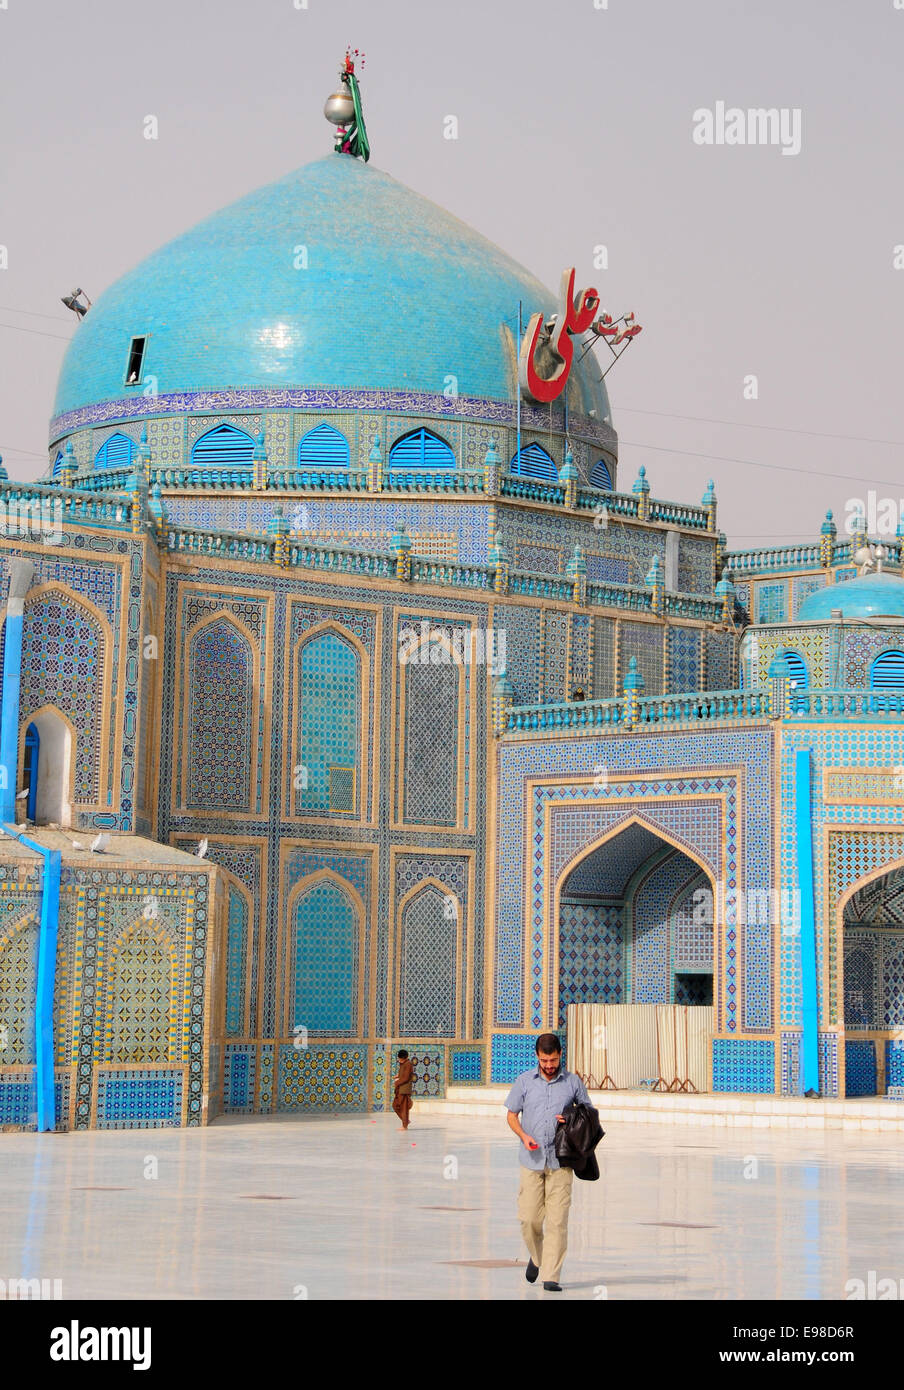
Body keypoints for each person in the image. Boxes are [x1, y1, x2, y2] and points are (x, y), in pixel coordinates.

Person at [505, 1033, 592, 1292]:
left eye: (553, 1060)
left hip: (561, 1161)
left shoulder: (573, 1082)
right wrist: (523, 1136)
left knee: (557, 1221)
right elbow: (511, 1115)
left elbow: (589, 1114)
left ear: (560, 1055)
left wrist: (571, 1116)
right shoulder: (524, 1082)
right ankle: (537, 1256)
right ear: (537, 1057)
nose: (550, 1065)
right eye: (545, 1060)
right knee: (529, 1218)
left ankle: (551, 1275)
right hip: (531, 1160)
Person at [392, 1049, 414, 1130]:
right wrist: (397, 1076)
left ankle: (404, 1126)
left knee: (403, 1107)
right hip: (400, 1089)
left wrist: (397, 1083)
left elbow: (406, 1078)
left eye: (400, 1059)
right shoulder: (403, 1063)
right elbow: (403, 1074)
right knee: (395, 1105)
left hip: (404, 1089)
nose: (399, 1060)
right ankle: (406, 1121)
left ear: (404, 1058)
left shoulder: (408, 1064)